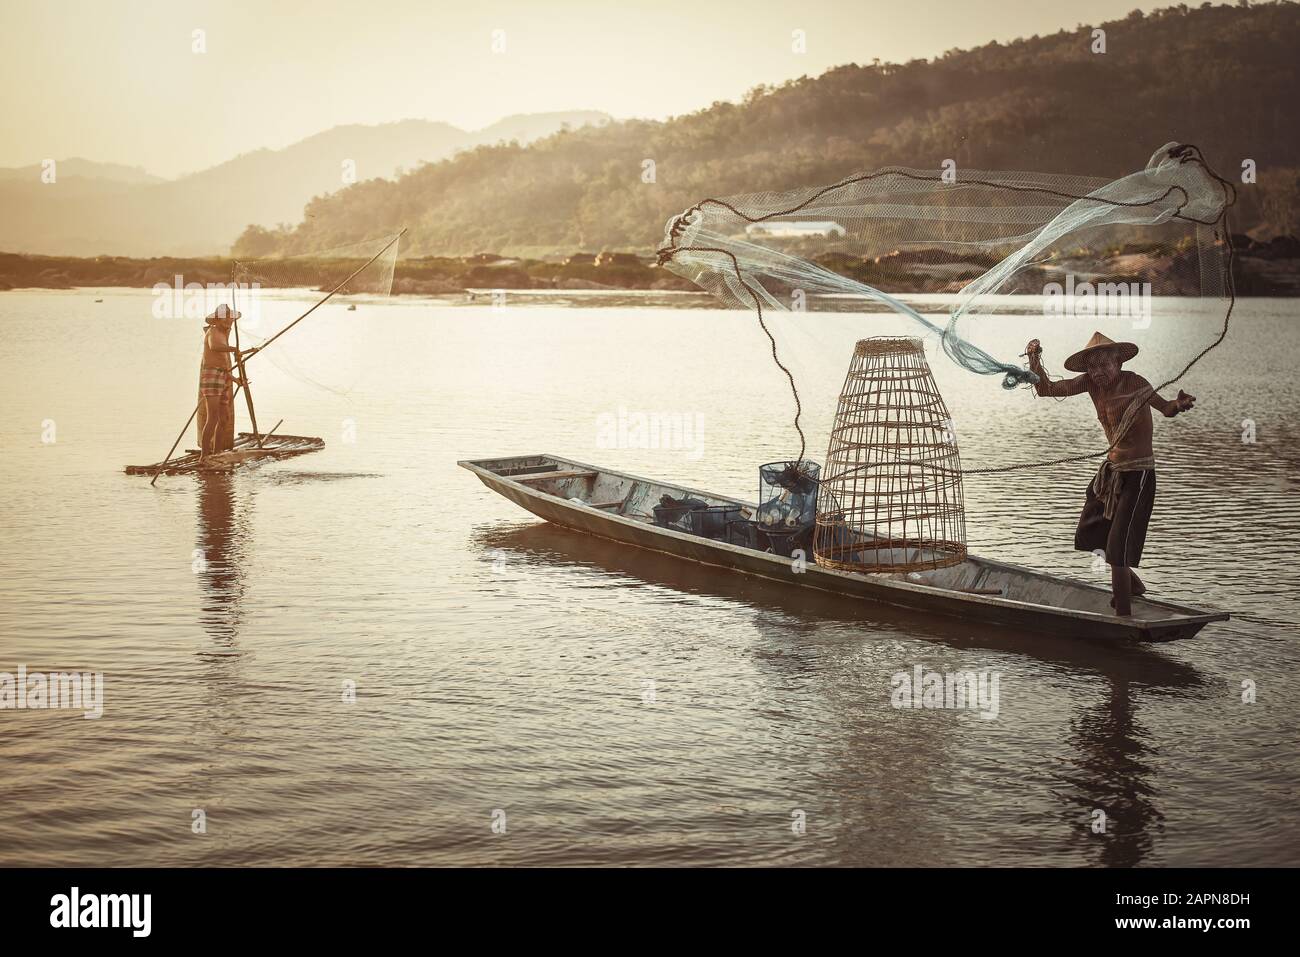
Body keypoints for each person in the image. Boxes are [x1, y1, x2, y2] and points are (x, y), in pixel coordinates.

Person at [1026, 331, 1195, 616]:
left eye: (1104, 364)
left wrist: (1178, 405)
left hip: (1138, 475)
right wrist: (1034, 359)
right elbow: (1048, 390)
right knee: (1090, 533)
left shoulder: (1136, 383)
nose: (1098, 371)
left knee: (1118, 550)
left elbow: (1165, 408)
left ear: (1118, 362)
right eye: (1092, 366)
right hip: (1112, 471)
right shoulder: (1091, 384)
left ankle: (1123, 615)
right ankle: (1133, 586)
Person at [197, 305, 250, 461]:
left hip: (223, 376)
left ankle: (218, 453)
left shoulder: (223, 334)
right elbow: (215, 347)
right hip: (211, 376)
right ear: (218, 319)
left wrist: (236, 380)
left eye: (230, 318)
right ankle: (204, 456)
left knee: (224, 418)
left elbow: (224, 366)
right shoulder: (212, 332)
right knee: (212, 417)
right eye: (225, 317)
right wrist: (234, 349)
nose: (229, 320)